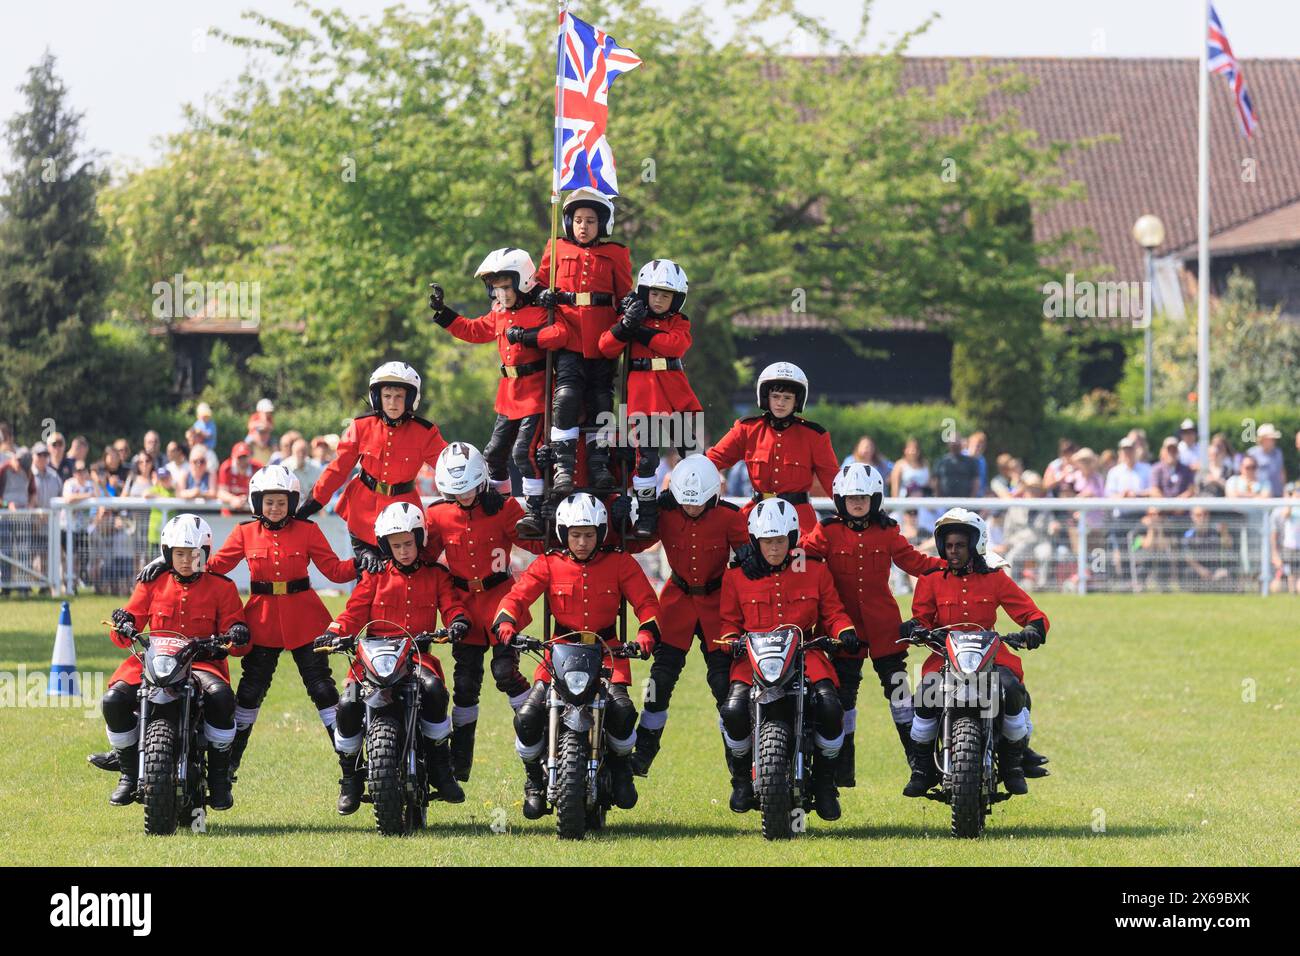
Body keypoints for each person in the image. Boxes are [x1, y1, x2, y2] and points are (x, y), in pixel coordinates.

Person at [139, 466, 359, 804]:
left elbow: (334, 569)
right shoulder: (245, 532)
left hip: (305, 617)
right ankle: (226, 770)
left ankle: (350, 775)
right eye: (269, 502)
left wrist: (367, 558)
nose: (275, 508)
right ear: (258, 502)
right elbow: (211, 565)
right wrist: (166, 561)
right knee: (249, 694)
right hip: (262, 619)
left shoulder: (308, 530)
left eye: (281, 502)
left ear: (292, 502)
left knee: (323, 692)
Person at [492, 493, 661, 819]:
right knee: (526, 718)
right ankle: (533, 781)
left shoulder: (620, 563)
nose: (582, 542)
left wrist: (644, 634)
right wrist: (507, 621)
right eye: (575, 534)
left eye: (589, 534)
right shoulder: (547, 563)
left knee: (623, 712)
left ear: (600, 533)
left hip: (608, 653)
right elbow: (517, 597)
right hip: (559, 652)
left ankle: (622, 767)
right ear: (562, 534)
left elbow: (647, 604)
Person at [315, 502, 472, 810]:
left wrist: (458, 621)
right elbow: (353, 612)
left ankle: (441, 768)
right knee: (347, 704)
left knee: (435, 690)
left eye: (408, 544)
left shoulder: (437, 576)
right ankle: (349, 778)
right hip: (371, 658)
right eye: (396, 545)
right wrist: (334, 632)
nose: (403, 551)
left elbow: (452, 605)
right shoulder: (374, 576)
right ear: (386, 546)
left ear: (420, 540)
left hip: (416, 657)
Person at [799, 462, 944, 787]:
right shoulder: (827, 530)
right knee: (845, 695)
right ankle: (842, 768)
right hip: (841, 627)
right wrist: (758, 558)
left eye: (864, 497)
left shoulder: (888, 531)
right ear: (840, 499)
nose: (858, 502)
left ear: (875, 499)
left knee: (898, 690)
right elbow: (799, 555)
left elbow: (916, 562)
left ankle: (920, 764)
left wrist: (955, 565)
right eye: (852, 498)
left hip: (883, 627)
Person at [717, 498, 860, 820]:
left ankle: (825, 783)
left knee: (830, 707)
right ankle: (741, 780)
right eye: (767, 541)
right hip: (753, 659)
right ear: (755, 541)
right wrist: (729, 642)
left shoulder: (816, 570)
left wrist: (845, 630)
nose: (774, 548)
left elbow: (834, 613)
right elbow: (728, 624)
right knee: (734, 710)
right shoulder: (736, 577)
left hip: (806, 654)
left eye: (780, 540)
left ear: (792, 539)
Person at [99, 515, 250, 809]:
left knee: (221, 698)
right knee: (113, 700)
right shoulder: (152, 583)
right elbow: (124, 631)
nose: (186, 560)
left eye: (194, 554)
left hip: (202, 665)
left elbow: (239, 642)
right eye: (179, 554)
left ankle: (219, 778)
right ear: (167, 554)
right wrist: (123, 622)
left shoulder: (223, 587)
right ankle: (129, 775)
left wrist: (236, 635)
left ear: (205, 554)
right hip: (154, 661)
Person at [899, 508, 1049, 798]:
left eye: (960, 546)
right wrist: (915, 627)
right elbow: (922, 617)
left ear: (975, 546)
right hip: (944, 656)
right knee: (925, 695)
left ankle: (1012, 765)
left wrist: (1033, 629)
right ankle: (922, 769)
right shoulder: (930, 580)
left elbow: (1032, 613)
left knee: (1011, 689)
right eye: (949, 546)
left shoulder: (995, 579)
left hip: (992, 655)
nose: (953, 552)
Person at [626, 454, 749, 777]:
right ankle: (644, 751)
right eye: (686, 503)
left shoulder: (730, 517)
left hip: (718, 604)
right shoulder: (667, 513)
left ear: (714, 496)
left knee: (724, 688)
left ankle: (740, 771)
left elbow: (750, 564)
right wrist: (627, 517)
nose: (692, 509)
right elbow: (637, 544)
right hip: (677, 601)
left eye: (699, 504)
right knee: (658, 682)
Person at [430, 248, 566, 537]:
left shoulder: (543, 310)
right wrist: (444, 314)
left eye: (506, 286)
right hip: (510, 393)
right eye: (495, 288)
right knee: (493, 455)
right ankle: (501, 505)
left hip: (536, 394)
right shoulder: (500, 314)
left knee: (523, 453)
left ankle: (534, 509)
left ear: (524, 282)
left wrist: (529, 337)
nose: (500, 293)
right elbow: (474, 330)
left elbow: (560, 334)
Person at [420, 442, 535, 783]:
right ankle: (460, 761)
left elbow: (536, 542)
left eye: (469, 487)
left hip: (502, 600)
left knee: (504, 673)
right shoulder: (438, 514)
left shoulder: (505, 508)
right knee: (466, 685)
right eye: (456, 490)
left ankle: (536, 731)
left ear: (483, 480)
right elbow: (423, 556)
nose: (464, 495)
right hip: (463, 607)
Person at [296, 362, 448, 567]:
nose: (392, 403)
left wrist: (480, 493)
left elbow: (450, 468)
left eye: (399, 396)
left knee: (402, 577)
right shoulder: (361, 426)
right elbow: (338, 470)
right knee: (368, 575)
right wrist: (310, 505)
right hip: (362, 511)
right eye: (387, 396)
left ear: (411, 399)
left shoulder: (425, 433)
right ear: (377, 397)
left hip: (404, 512)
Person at [535, 189, 635, 494]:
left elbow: (624, 295)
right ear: (568, 222)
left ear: (602, 223)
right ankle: (563, 466)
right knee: (565, 398)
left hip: (603, 342)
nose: (583, 226)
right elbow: (537, 285)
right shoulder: (556, 248)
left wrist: (631, 310)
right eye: (578, 220)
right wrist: (543, 296)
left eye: (590, 220)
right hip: (567, 338)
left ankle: (598, 463)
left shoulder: (616, 254)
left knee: (601, 403)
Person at [596, 258, 704, 538]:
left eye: (665, 295)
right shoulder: (631, 317)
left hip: (672, 395)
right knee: (646, 460)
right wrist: (625, 325)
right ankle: (647, 515)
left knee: (691, 453)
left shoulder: (679, 322)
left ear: (675, 299)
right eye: (654, 293)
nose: (658, 300)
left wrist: (639, 330)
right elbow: (606, 347)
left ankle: (702, 503)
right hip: (643, 396)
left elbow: (674, 346)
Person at [706, 362, 839, 534]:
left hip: (799, 522)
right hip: (756, 516)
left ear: (797, 401)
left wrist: (862, 514)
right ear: (765, 397)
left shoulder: (814, 436)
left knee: (809, 559)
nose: (780, 403)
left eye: (787, 398)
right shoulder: (747, 429)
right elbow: (711, 460)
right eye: (775, 396)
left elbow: (835, 484)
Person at [216, 441, 260, 515]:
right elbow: (221, 492)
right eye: (239, 457)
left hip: (251, 511)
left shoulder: (257, 468)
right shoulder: (226, 468)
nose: (242, 460)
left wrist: (247, 498)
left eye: (244, 457)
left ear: (250, 456)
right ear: (233, 456)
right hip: (229, 510)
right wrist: (233, 499)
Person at [1247, 424, 1285, 497]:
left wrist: (1283, 489)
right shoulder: (1252, 453)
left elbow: (1281, 471)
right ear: (1262, 439)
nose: (1274, 441)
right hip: (1260, 494)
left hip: (1277, 493)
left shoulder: (1278, 452)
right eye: (1271, 438)